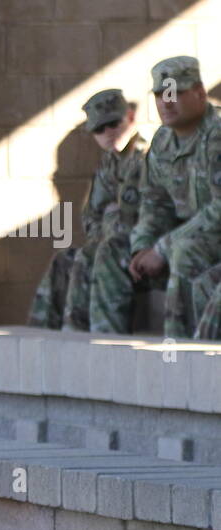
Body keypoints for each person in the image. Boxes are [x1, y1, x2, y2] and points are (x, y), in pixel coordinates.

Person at [90, 56, 221, 339]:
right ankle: (107, 349)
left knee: (185, 250)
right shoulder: (162, 141)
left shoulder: (217, 135)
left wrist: (162, 248)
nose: (166, 102)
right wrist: (142, 247)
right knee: (114, 248)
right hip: (179, 241)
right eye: (160, 95)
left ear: (199, 93)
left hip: (210, 242)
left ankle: (180, 355)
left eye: (176, 93)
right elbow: (153, 203)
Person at [29, 89, 147, 331]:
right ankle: (44, 333)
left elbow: (142, 214)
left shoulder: (146, 157)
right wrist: (105, 227)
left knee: (90, 255)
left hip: (137, 248)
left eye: (113, 124)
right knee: (64, 258)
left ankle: (84, 334)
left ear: (131, 118)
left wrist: (112, 218)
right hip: (107, 244)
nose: (107, 133)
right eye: (98, 129)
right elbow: (91, 215)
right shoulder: (108, 163)